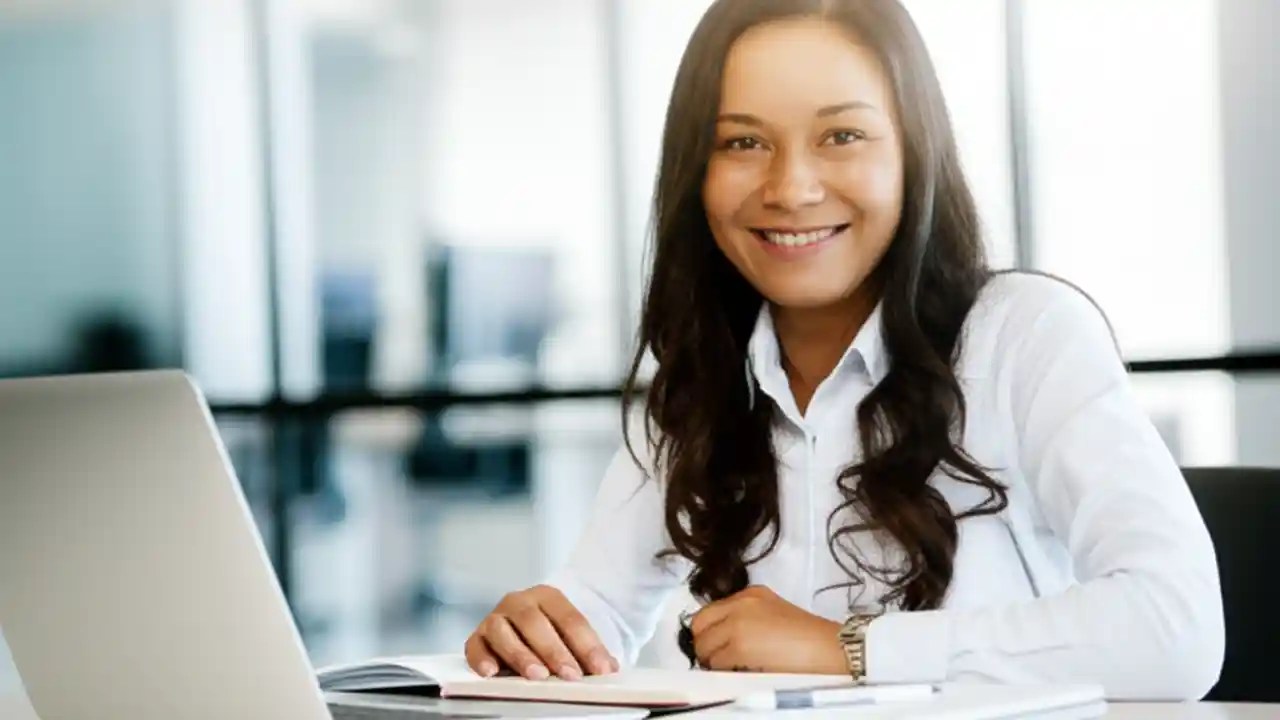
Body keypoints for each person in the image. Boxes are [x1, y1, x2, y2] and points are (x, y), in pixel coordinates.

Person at [463, 0, 1224, 700]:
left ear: (914, 152)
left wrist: (850, 647)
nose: (791, 188)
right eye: (743, 142)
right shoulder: (702, 374)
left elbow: (1176, 630)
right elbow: (595, 615)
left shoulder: (1023, 335)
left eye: (842, 136)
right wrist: (539, 634)